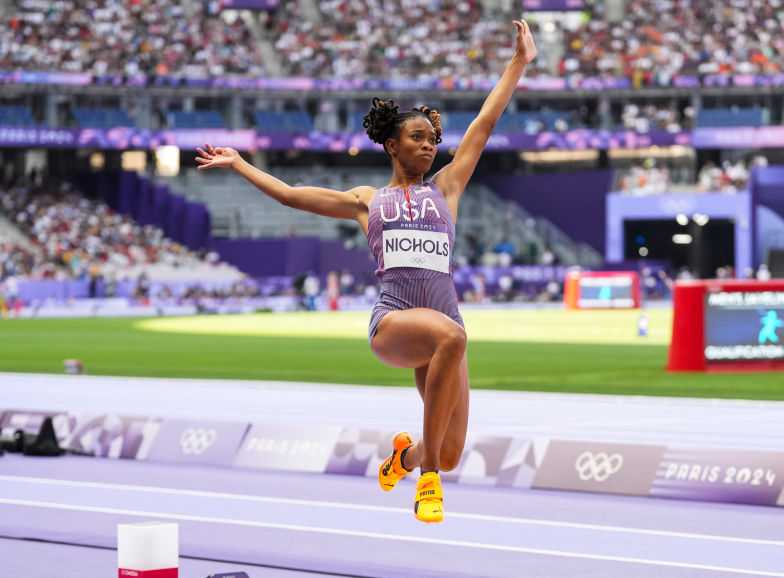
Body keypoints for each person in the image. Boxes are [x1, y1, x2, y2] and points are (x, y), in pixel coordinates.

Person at [195, 20, 537, 524]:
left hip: (443, 328)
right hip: (395, 323)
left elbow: (483, 124)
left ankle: (405, 459)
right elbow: (291, 195)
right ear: (392, 145)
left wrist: (519, 62)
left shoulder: (447, 189)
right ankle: (427, 483)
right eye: (417, 138)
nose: (429, 146)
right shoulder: (366, 201)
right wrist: (240, 163)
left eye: (433, 140)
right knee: (452, 338)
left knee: (447, 450)